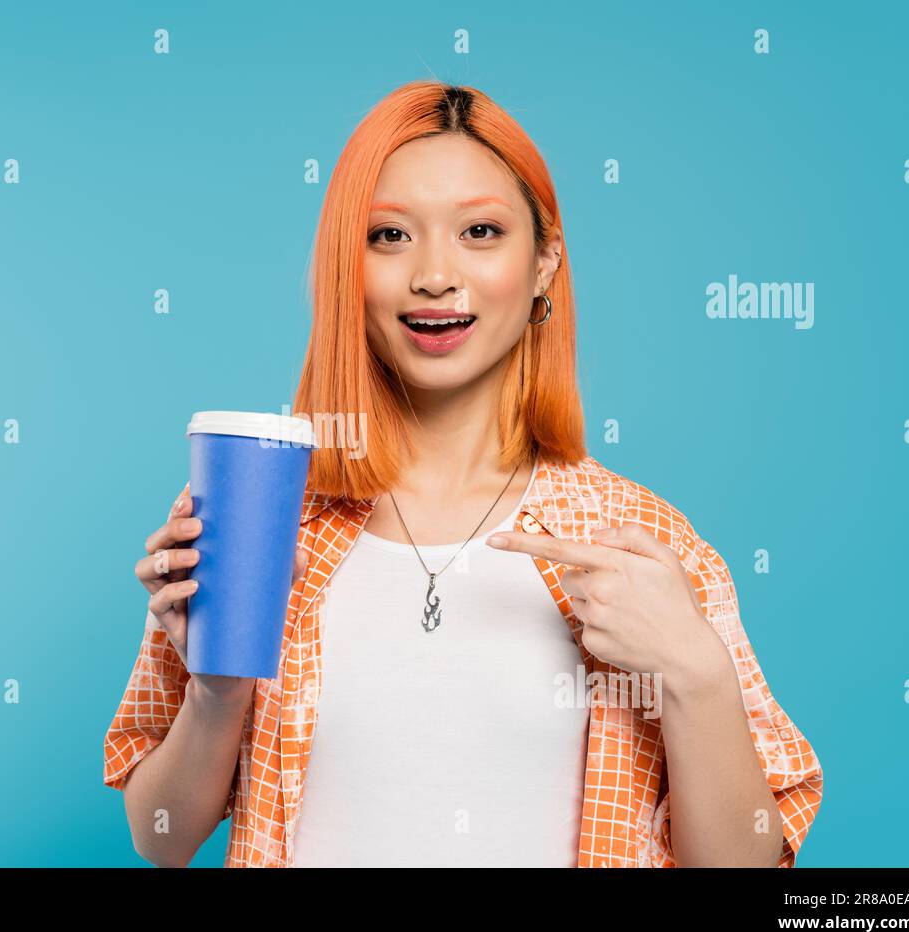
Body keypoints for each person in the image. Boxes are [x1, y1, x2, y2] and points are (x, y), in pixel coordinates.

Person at [104, 80, 823, 868]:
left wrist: (695, 671)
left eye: (480, 230)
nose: (435, 276)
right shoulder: (264, 516)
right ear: (348, 267)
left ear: (545, 261)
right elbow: (159, 837)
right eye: (389, 236)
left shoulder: (640, 541)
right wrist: (218, 688)